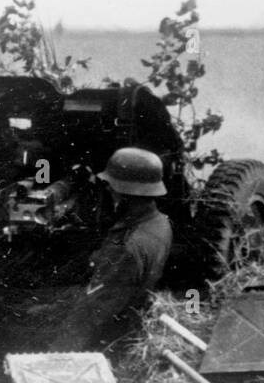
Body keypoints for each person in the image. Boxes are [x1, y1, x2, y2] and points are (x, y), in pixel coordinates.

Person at [51, 147, 174, 350]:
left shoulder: (128, 247)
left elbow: (90, 315)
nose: (108, 189)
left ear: (125, 191)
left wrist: (55, 355)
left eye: (111, 186)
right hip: (126, 315)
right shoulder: (160, 223)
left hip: (108, 339)